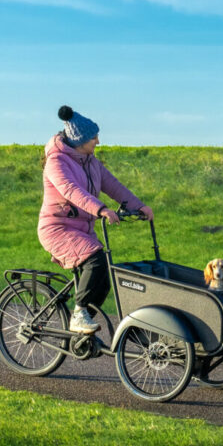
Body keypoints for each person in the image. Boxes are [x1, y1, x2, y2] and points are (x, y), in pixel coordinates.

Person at [38, 105, 154, 334]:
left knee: (104, 279)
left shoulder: (91, 162)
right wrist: (100, 209)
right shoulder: (57, 162)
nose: (98, 142)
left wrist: (139, 206)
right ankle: (79, 316)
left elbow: (114, 186)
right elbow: (70, 190)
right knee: (96, 260)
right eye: (94, 138)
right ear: (80, 140)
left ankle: (80, 331)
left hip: (82, 229)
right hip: (57, 229)